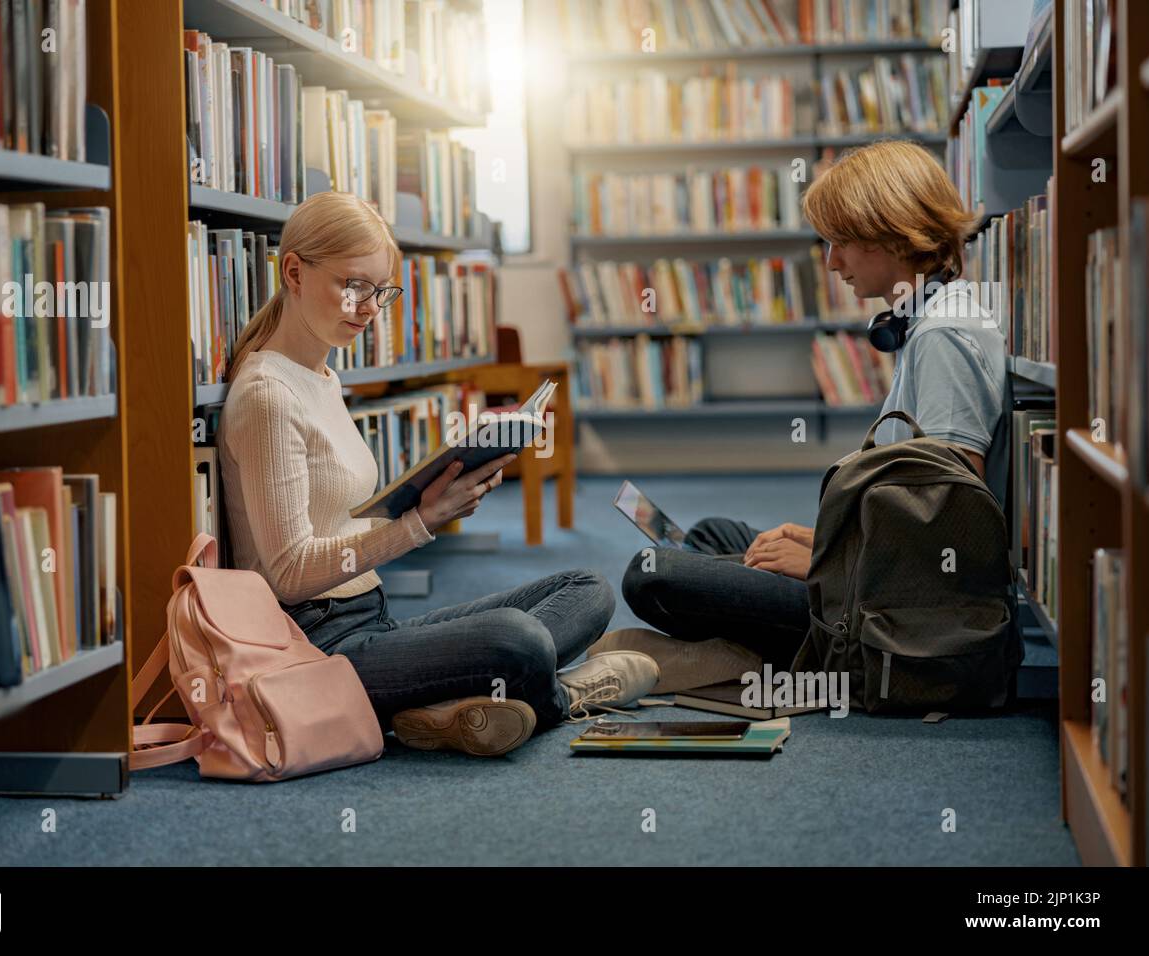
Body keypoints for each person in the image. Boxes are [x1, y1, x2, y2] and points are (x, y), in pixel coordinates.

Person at [217, 191, 659, 758]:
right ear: (295, 272)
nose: (369, 307)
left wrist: (429, 497)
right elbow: (286, 573)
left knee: (585, 589)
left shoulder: (321, 376)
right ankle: (559, 696)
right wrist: (419, 525)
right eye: (354, 286)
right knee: (518, 641)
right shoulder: (268, 394)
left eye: (381, 291)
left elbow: (338, 519)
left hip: (370, 618)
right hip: (318, 648)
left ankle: (451, 703)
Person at [603, 139, 1006, 687]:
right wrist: (823, 542)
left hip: (893, 612)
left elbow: (948, 538)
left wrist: (825, 565)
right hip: (871, 576)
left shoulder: (942, 339)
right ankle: (735, 649)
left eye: (841, 242)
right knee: (715, 534)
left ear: (892, 232)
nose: (832, 261)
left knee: (650, 576)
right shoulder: (929, 319)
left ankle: (748, 656)